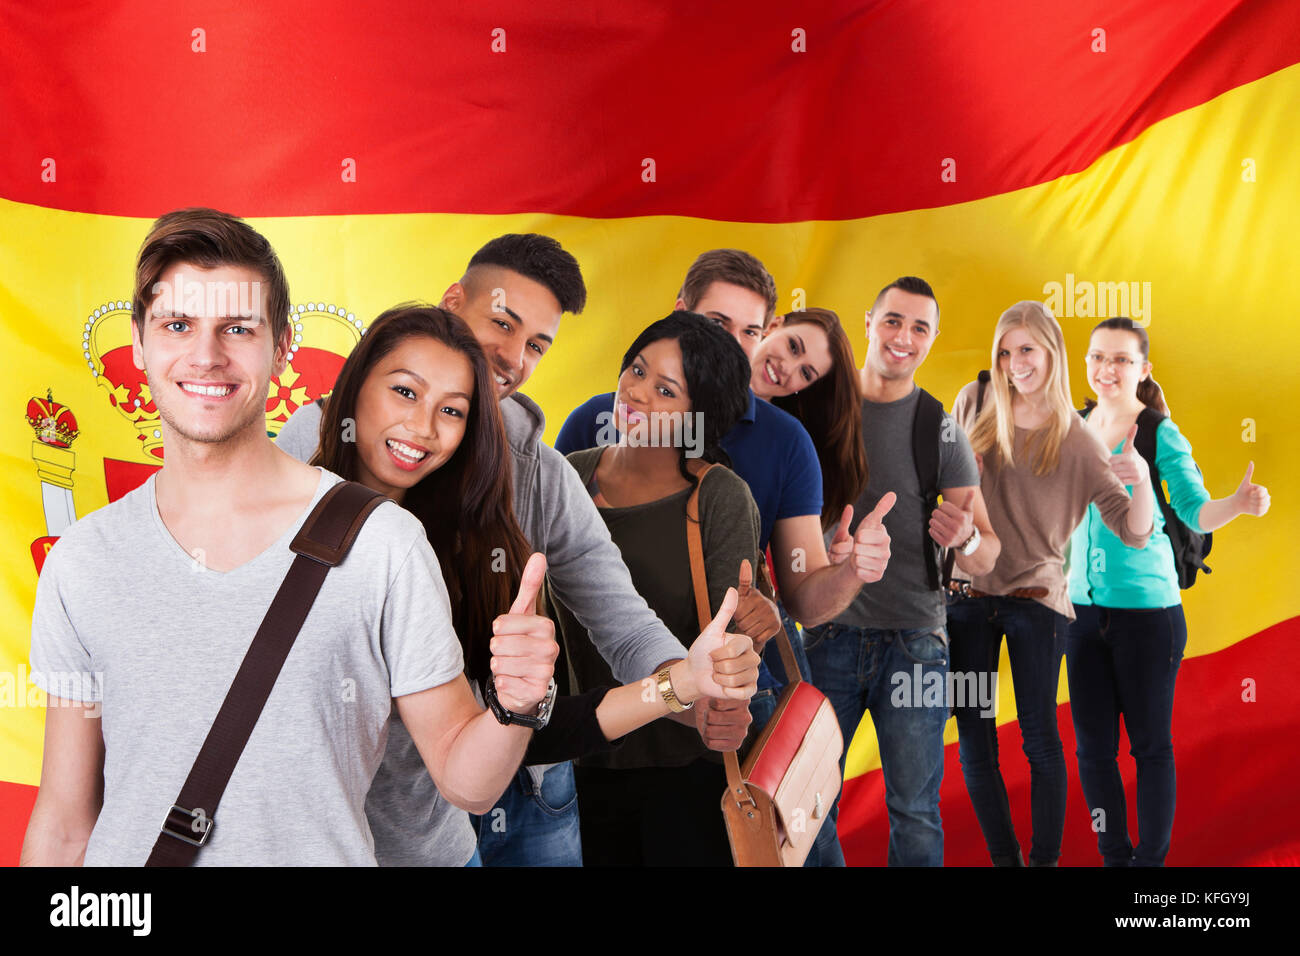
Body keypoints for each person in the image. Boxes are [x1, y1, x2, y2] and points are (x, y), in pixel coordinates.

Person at [21, 208, 558, 866]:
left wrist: (515, 706)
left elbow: (463, 781)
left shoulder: (383, 546)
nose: (206, 355)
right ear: (140, 343)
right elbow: (66, 822)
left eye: (237, 328)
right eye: (178, 325)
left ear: (281, 348)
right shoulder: (84, 561)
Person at [274, 235, 738, 866]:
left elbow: (623, 623)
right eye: (501, 322)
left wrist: (693, 689)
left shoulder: (544, 478)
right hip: (364, 813)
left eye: (537, 344)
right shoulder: (322, 441)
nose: (513, 357)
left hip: (525, 787)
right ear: (452, 303)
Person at [556, 252, 894, 866]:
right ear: (680, 313)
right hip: (596, 733)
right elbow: (559, 584)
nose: (736, 347)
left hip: (722, 721)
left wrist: (850, 571)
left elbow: (801, 601)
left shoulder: (779, 446)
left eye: (750, 331)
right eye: (718, 323)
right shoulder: (587, 435)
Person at [555, 312, 781, 865]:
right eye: (636, 370)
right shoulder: (565, 477)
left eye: (665, 390)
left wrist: (751, 633)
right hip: (572, 764)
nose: (636, 393)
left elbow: (730, 641)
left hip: (683, 771)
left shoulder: (719, 497)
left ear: (696, 416)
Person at [802, 277, 1001, 867]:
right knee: (808, 804)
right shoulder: (818, 413)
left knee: (915, 810)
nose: (904, 337)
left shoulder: (940, 428)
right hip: (824, 635)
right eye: (893, 321)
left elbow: (988, 553)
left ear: (933, 339)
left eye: (919, 327)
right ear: (868, 322)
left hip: (915, 643)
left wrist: (965, 536)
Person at [948, 300, 1154, 867]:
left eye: (1027, 350)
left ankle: (1044, 863)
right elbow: (936, 486)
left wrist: (1137, 483)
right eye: (1006, 351)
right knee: (974, 742)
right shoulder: (974, 403)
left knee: (1039, 738)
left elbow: (1134, 533)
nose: (1015, 363)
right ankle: (1006, 862)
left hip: (1036, 604)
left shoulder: (1078, 438)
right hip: (966, 599)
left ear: (1053, 353)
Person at [1066, 317, 1269, 866]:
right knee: (1091, 753)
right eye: (1098, 357)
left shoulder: (1158, 433)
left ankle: (1148, 868)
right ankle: (1115, 858)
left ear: (1143, 369)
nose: (1107, 369)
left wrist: (1238, 504)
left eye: (1122, 360)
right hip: (1079, 614)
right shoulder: (1075, 425)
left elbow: (1194, 509)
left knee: (1150, 748)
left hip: (1148, 617)